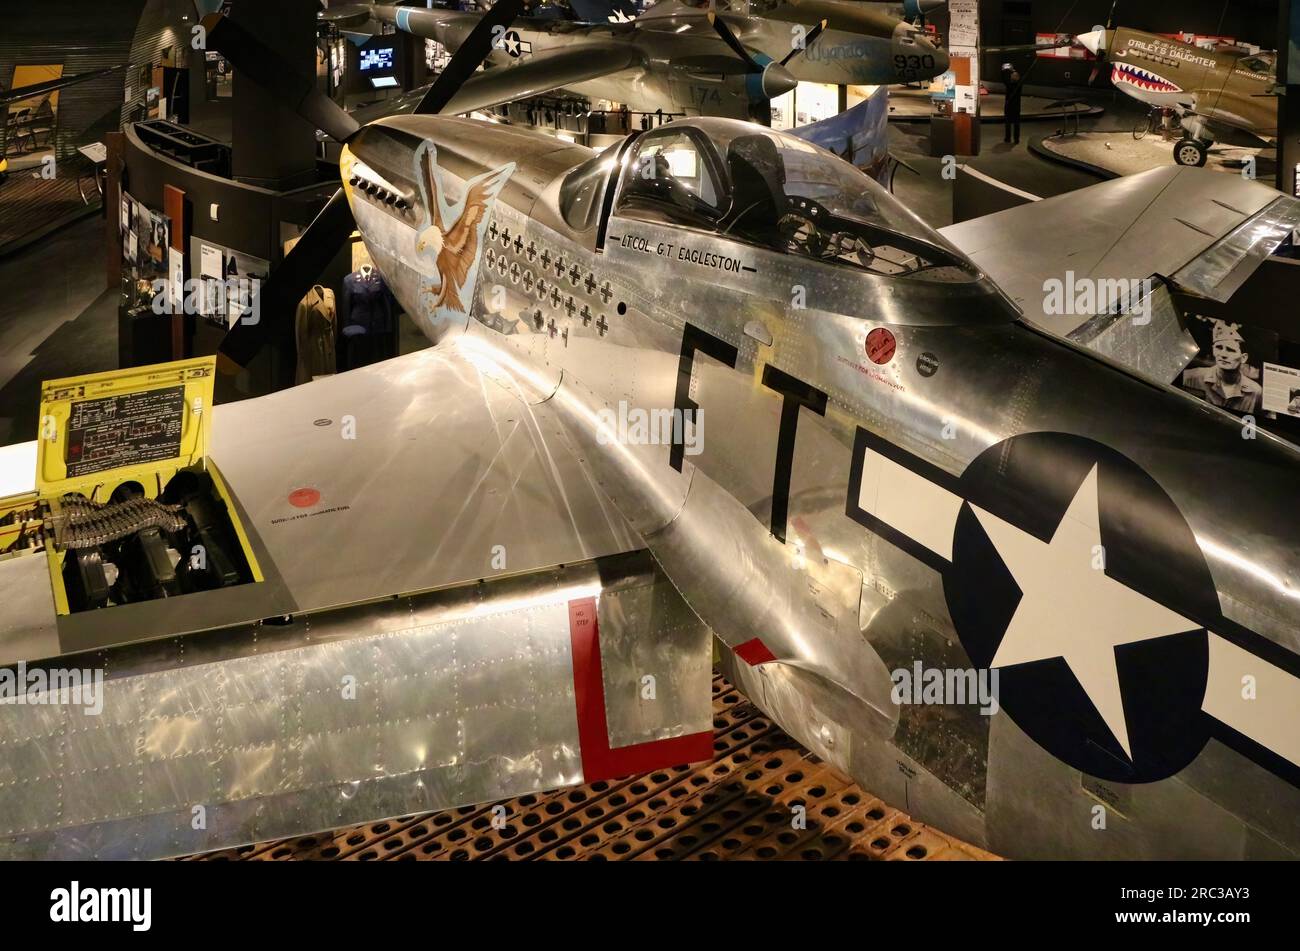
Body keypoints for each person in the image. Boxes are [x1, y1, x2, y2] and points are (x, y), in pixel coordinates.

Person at [1181, 322, 1262, 415]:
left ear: (1243, 358)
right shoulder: (1191, 376)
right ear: (1213, 349)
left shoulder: (1256, 391)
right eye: (1219, 347)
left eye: (1230, 350)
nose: (1223, 355)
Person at [1002, 63, 1023, 145]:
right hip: (1016, 107)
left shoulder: (1009, 85)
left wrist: (1007, 70)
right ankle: (1016, 139)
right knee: (1016, 124)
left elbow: (1004, 78)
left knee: (1008, 123)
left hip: (1009, 106)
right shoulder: (1019, 85)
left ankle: (1008, 138)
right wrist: (1013, 71)